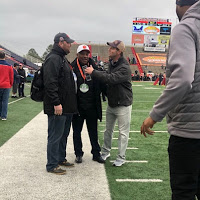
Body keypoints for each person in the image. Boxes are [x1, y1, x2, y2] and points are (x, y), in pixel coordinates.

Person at [141, 0, 200, 199]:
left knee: (184, 192)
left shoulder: (186, 27)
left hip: (190, 131)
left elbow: (183, 80)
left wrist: (154, 115)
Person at [85, 40, 133, 167]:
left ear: (119, 51)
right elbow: (106, 76)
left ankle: (121, 157)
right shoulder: (112, 63)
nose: (109, 50)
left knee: (123, 133)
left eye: (112, 48)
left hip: (123, 103)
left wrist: (93, 72)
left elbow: (111, 79)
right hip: (112, 103)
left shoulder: (124, 67)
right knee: (108, 130)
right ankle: (105, 152)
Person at [43, 32, 77, 175]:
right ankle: (51, 164)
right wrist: (56, 103)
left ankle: (60, 158)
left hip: (66, 106)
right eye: (68, 42)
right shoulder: (53, 59)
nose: (70, 45)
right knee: (55, 135)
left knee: (63, 134)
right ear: (60, 43)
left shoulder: (61, 58)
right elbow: (50, 83)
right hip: (58, 106)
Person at [71, 44, 105, 164]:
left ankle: (96, 153)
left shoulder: (94, 66)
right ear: (77, 55)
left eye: (87, 54)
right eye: (82, 54)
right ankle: (78, 153)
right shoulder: (72, 67)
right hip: (78, 106)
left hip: (92, 105)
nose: (85, 56)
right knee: (76, 132)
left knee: (93, 132)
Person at [0, 51, 14, 120]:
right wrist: (10, 84)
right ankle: (4, 116)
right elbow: (11, 76)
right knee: (5, 101)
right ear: (4, 57)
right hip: (6, 85)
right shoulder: (9, 66)